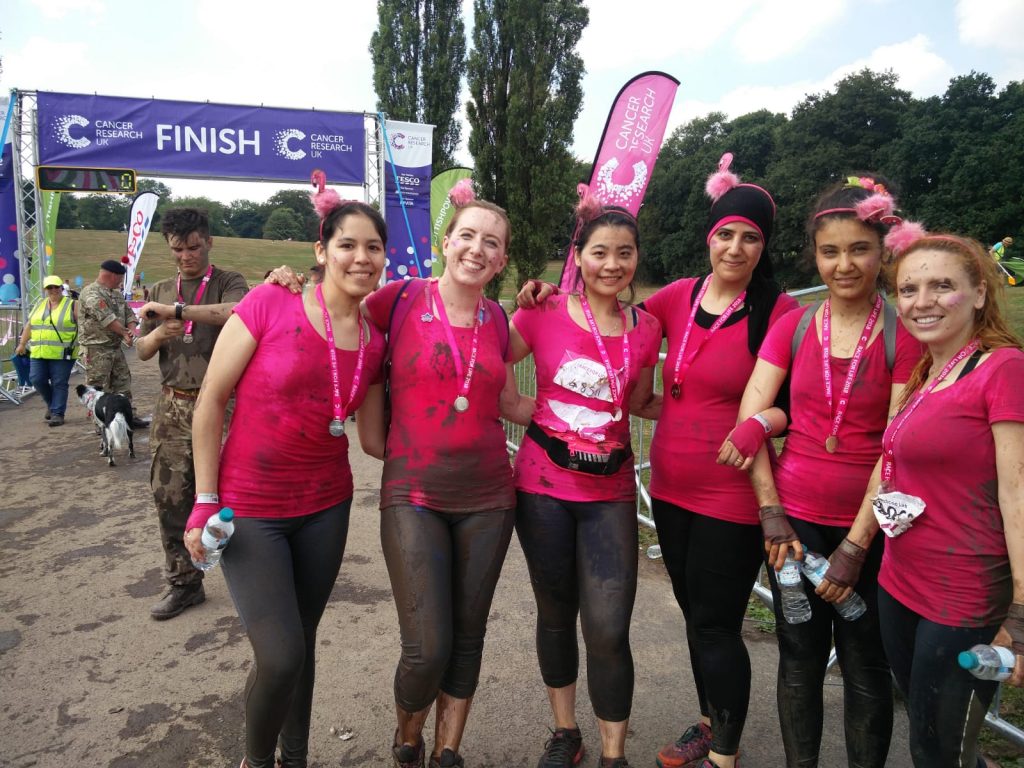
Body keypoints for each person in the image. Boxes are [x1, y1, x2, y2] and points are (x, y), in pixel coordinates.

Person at [518, 154, 799, 768]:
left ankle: (723, 748)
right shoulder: (674, 299)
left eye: (750, 237)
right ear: (709, 238)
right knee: (696, 616)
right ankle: (706, 721)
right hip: (668, 488)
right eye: (725, 233)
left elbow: (794, 408)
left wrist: (757, 422)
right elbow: (623, 349)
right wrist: (546, 295)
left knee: (718, 625)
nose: (735, 246)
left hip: (732, 492)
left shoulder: (780, 313)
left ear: (764, 245)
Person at [719, 176, 923, 767]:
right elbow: (750, 416)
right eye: (830, 251)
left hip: (872, 532)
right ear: (815, 255)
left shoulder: (901, 334)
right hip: (794, 526)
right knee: (799, 659)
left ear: (883, 251)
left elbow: (896, 448)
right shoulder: (796, 325)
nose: (845, 264)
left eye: (859, 249)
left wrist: (858, 547)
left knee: (866, 665)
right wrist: (770, 512)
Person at [186, 193, 388, 768]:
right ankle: (256, 761)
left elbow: (374, 441)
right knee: (278, 657)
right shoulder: (271, 301)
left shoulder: (376, 341)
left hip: (327, 507)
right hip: (250, 511)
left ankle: (293, 758)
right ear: (320, 251)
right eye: (346, 244)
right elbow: (211, 402)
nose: (360, 257)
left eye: (373, 247)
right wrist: (204, 502)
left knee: (302, 642)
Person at [357, 180, 532, 768]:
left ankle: (446, 750)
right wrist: (286, 285)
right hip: (413, 491)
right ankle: (407, 735)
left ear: (502, 258)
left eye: (491, 243)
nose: (477, 250)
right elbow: (333, 317)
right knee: (427, 645)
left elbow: (510, 404)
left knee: (467, 636)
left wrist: (591, 406)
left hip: (489, 496)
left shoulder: (499, 317)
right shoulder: (399, 299)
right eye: (467, 236)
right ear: (445, 242)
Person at [836, 227, 1024, 768]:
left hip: (963, 595)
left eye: (942, 286)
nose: (922, 302)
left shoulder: (1002, 369)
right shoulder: (930, 370)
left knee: (937, 749)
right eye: (909, 290)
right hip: (899, 583)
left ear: (981, 293)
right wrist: (858, 545)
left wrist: (1021, 609)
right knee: (929, 733)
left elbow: (1017, 496)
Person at [508, 192, 661, 768]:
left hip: (610, 496)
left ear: (636, 260)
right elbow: (492, 368)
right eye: (600, 252)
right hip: (543, 490)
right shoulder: (540, 312)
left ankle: (613, 754)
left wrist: (716, 411)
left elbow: (641, 400)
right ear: (580, 256)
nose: (613, 264)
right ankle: (566, 732)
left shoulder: (645, 328)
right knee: (555, 613)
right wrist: (542, 419)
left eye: (625, 253)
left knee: (608, 627)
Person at [136, 208, 248, 621]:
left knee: (235, 497)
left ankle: (252, 578)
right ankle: (184, 583)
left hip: (222, 403)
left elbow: (236, 312)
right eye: (178, 249)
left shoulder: (226, 281)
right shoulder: (162, 288)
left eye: (194, 247)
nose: (186, 256)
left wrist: (178, 313)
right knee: (170, 497)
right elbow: (141, 350)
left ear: (209, 242)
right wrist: (156, 333)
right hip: (172, 405)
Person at [15, 274, 79, 427]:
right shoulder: (40, 304)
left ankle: (57, 413)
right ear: (45, 289)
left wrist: (85, 347)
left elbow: (83, 325)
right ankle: (52, 405)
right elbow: (30, 325)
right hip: (39, 352)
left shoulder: (73, 305)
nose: (53, 290)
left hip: (63, 353)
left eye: (56, 287)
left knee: (59, 383)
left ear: (61, 288)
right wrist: (22, 343)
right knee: (36, 379)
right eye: (49, 287)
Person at [78, 259, 140, 410]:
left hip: (114, 348)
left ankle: (126, 415)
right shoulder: (91, 293)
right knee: (98, 388)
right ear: (112, 276)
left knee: (123, 384)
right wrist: (126, 334)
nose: (121, 282)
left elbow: (129, 314)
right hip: (96, 349)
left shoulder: (116, 295)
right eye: (120, 278)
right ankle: (101, 421)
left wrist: (131, 331)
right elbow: (107, 318)